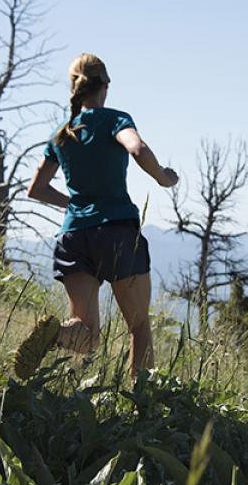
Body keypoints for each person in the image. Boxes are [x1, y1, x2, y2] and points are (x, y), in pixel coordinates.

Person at [14, 53, 178, 380]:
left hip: (73, 237)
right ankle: (142, 401)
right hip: (116, 232)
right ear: (105, 84)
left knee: (86, 336)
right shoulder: (115, 120)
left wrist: (76, 206)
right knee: (139, 326)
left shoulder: (61, 134)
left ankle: (58, 334)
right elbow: (137, 148)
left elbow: (36, 189)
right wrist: (163, 177)